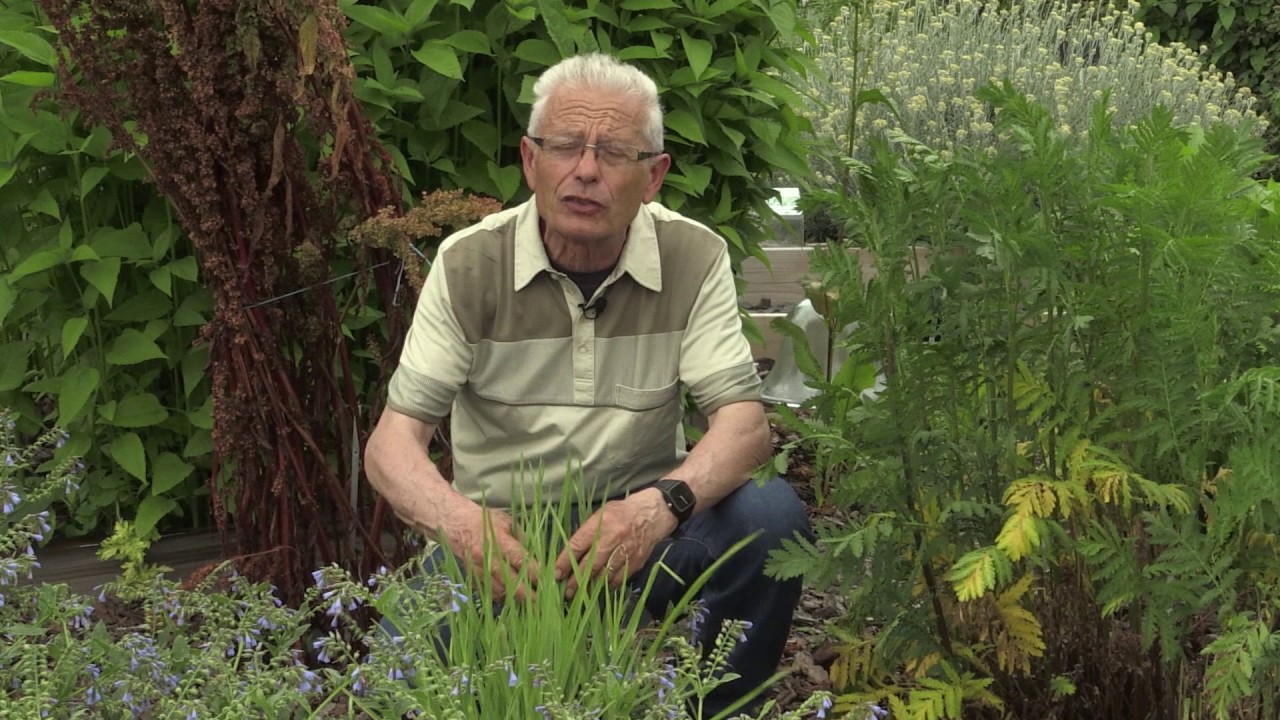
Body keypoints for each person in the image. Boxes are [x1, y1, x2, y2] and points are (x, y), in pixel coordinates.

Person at [364, 52, 811, 715]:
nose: (585, 172)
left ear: (653, 175)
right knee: (400, 683)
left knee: (771, 519)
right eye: (565, 147)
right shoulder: (469, 265)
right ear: (529, 161)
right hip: (501, 539)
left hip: (644, 532)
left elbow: (744, 426)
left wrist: (657, 508)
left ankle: (719, 708)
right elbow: (391, 447)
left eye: (614, 153)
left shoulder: (692, 256)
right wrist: (460, 524)